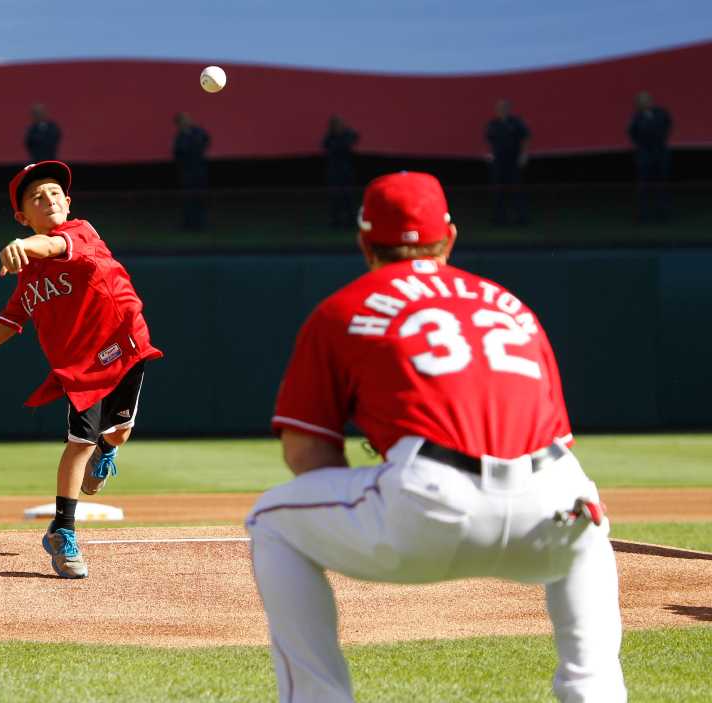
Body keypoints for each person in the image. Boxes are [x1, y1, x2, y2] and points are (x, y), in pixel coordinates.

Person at [246, 171, 625, 703]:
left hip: (433, 500)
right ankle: (597, 694)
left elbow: (307, 452)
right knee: (588, 524)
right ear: (449, 237)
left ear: (363, 241)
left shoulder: (344, 308)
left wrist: (376, 510)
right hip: (555, 500)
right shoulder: (509, 305)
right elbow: (558, 437)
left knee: (271, 519)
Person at [0, 160, 163, 579]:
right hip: (80, 369)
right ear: (22, 215)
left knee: (119, 432)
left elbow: (53, 247)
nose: (48, 199)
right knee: (78, 443)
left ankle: (109, 452)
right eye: (37, 197)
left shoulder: (80, 232)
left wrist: (21, 245)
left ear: (68, 203)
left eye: (55, 193)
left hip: (124, 345)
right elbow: (11, 320)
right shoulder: (28, 276)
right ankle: (63, 530)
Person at [628, 91, 673, 223]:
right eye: (640, 101)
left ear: (651, 101)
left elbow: (668, 125)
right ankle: (642, 215)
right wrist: (641, 146)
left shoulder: (661, 113)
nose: (643, 103)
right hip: (644, 155)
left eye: (645, 100)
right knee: (643, 186)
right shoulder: (635, 118)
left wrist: (661, 140)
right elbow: (632, 133)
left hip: (661, 154)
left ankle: (663, 214)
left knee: (662, 185)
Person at [485, 98, 531, 225]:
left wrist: (524, 154)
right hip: (498, 161)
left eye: (504, 108)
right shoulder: (493, 124)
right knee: (498, 190)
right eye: (500, 108)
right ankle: (499, 218)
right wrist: (489, 155)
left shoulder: (516, 122)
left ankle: (521, 218)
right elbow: (487, 141)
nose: (502, 110)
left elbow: (526, 137)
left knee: (516, 189)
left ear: (509, 109)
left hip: (513, 160)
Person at [172, 112, 210, 230]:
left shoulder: (198, 132)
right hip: (187, 173)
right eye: (183, 120)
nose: (187, 121)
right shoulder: (179, 137)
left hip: (199, 171)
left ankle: (201, 224)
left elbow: (205, 140)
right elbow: (178, 153)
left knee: (200, 198)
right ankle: (188, 224)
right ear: (179, 123)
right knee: (188, 199)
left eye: (187, 119)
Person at [322, 115, 360, 227]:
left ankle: (350, 220)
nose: (338, 127)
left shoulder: (346, 136)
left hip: (346, 172)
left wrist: (346, 131)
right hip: (334, 172)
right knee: (335, 198)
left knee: (348, 198)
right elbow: (326, 146)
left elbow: (355, 137)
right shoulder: (330, 137)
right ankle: (335, 221)